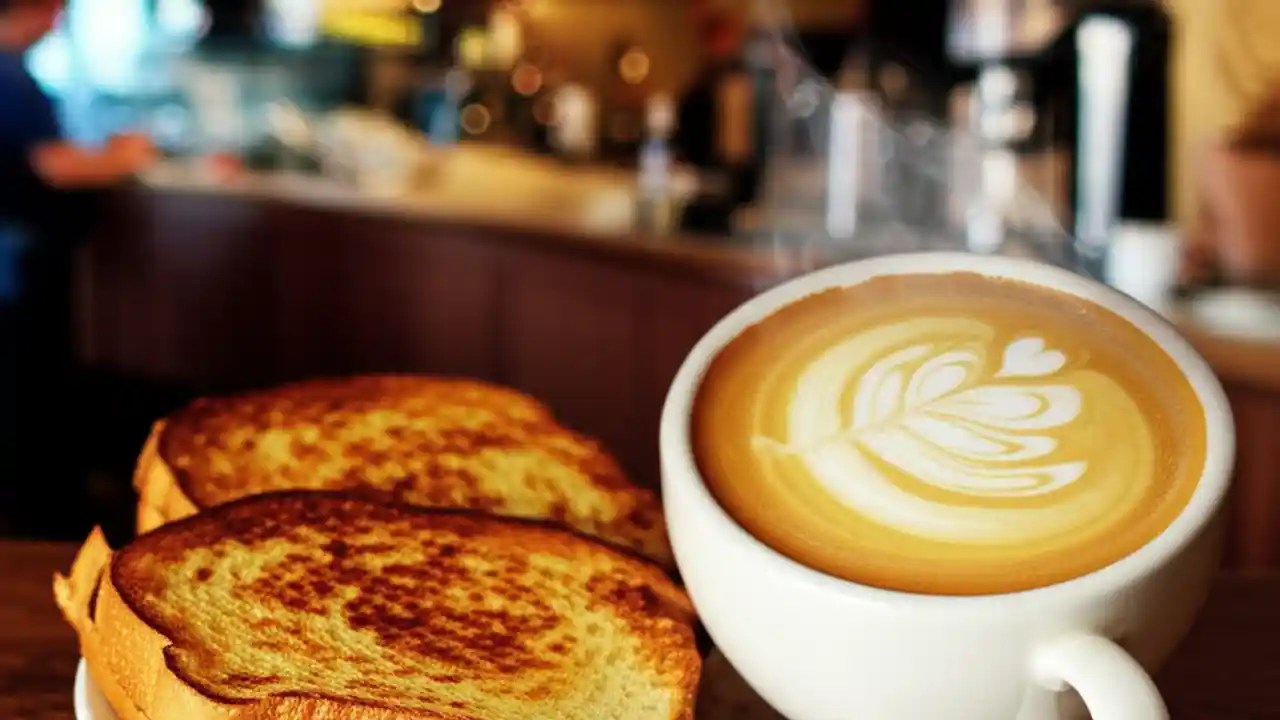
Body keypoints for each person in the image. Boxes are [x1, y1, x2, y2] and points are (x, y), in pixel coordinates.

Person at [0, 0, 157, 536]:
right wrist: (125, 156)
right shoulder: (8, 72)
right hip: (15, 260)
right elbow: (54, 165)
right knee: (26, 381)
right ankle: (36, 509)